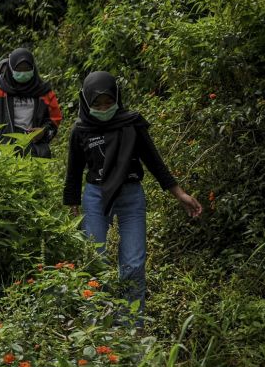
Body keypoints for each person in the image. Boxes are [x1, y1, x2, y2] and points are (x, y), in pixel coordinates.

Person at [63, 71, 202, 324]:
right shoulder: (81, 130)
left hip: (130, 196)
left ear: (118, 98)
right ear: (86, 102)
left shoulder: (132, 123)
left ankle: (130, 325)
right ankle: (99, 325)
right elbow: (73, 173)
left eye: (108, 103)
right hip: (95, 198)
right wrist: (73, 210)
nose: (104, 109)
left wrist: (179, 193)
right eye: (97, 104)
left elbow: (154, 161)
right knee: (96, 260)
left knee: (134, 263)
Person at [0, 47, 62, 158]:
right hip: (5, 150)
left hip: (35, 151)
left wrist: (43, 131)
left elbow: (55, 119)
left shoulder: (44, 92)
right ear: (11, 68)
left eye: (27, 69)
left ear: (33, 69)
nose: (23, 73)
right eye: (19, 69)